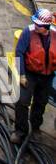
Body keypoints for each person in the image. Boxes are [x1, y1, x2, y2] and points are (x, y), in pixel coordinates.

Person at [14, 9, 56, 143]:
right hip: (30, 74)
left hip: (47, 75)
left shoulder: (54, 35)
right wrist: (22, 75)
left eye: (39, 25)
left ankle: (36, 127)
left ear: (46, 27)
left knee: (41, 102)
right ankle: (20, 131)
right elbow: (19, 53)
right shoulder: (28, 32)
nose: (36, 26)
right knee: (22, 101)